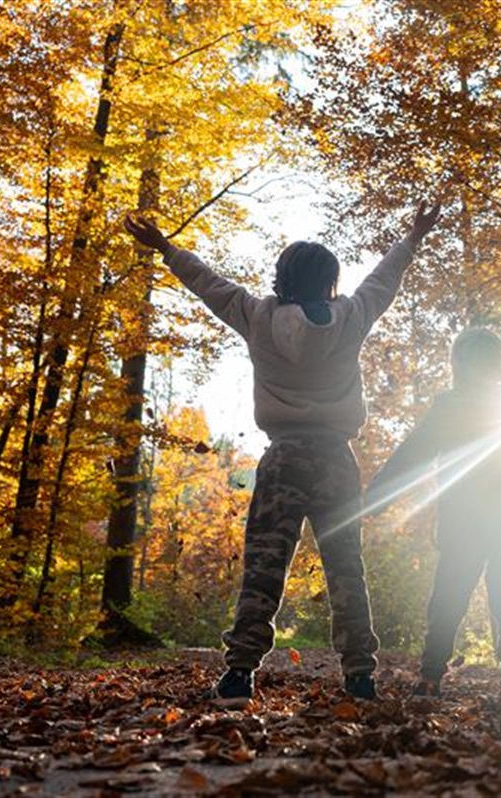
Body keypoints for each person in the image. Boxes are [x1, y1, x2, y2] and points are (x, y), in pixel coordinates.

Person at [123, 202, 441, 708]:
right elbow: (382, 282)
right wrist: (413, 237)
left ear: (283, 276)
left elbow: (208, 284)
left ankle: (239, 674)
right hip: (335, 458)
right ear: (330, 281)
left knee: (264, 567)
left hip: (284, 457)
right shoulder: (352, 315)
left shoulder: (258, 315)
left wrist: (165, 248)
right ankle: (360, 675)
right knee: (346, 569)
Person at [366, 327, 501, 701]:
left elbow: (413, 454)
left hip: (465, 521)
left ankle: (431, 676)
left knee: (449, 598)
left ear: (458, 364)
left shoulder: (450, 408)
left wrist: (376, 496)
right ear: (499, 366)